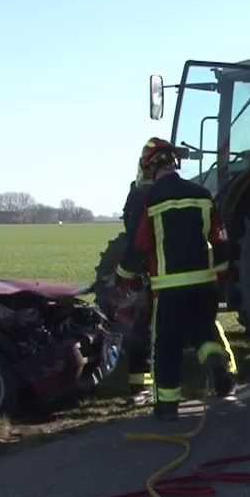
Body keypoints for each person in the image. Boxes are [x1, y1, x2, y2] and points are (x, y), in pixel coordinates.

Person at [126, 137, 237, 421]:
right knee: (203, 333)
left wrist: (123, 278)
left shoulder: (150, 200)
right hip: (204, 284)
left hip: (169, 289)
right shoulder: (202, 194)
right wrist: (223, 273)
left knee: (167, 346)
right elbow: (220, 238)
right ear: (175, 162)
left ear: (149, 168)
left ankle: (167, 406)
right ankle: (216, 366)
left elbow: (139, 246)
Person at [114, 160, 155, 404]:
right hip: (187, 276)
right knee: (204, 327)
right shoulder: (195, 196)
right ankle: (223, 374)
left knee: (145, 328)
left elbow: (137, 243)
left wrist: (124, 277)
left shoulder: (141, 197)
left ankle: (144, 389)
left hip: (155, 275)